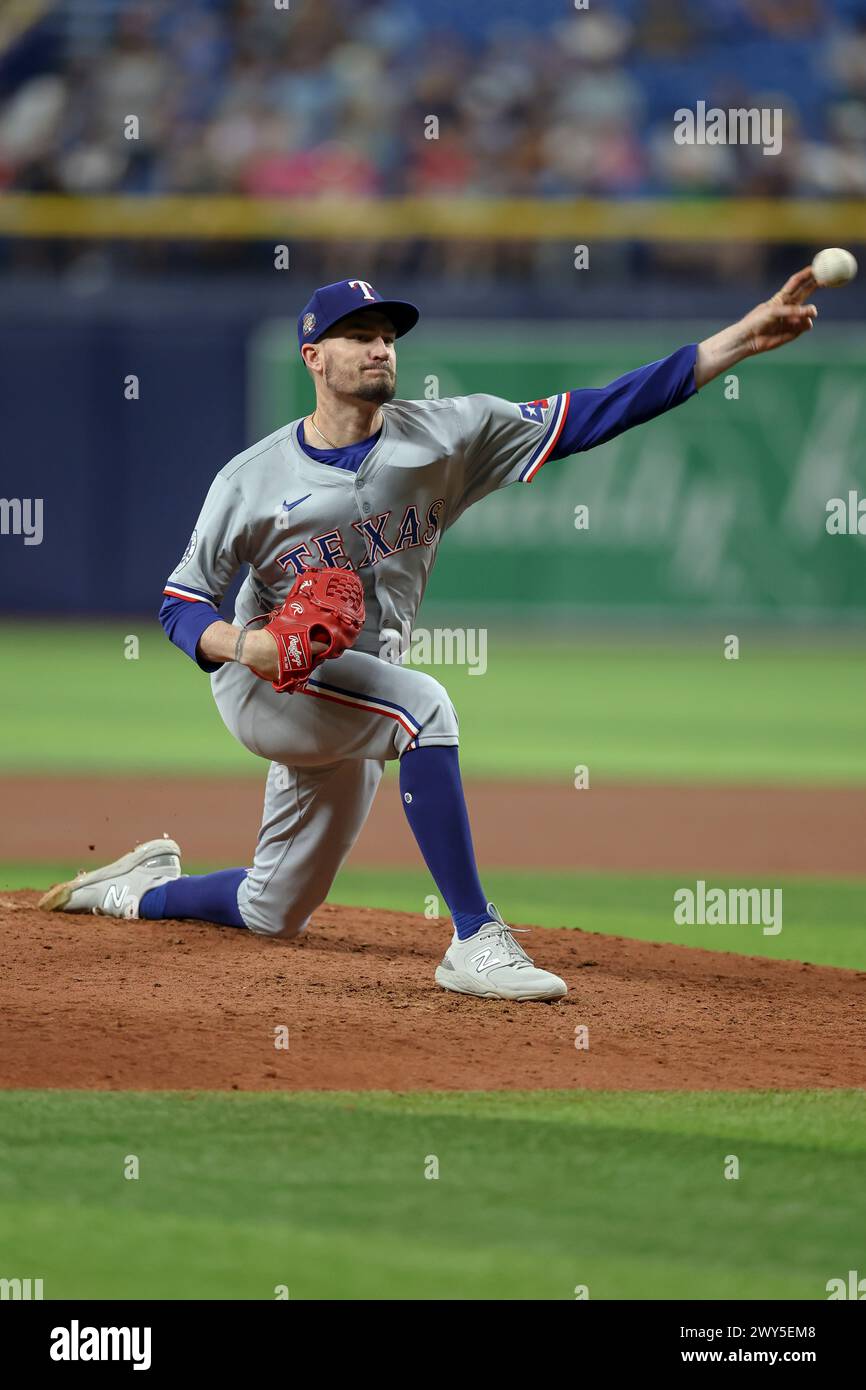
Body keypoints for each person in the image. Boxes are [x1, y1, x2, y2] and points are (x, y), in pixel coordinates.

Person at [40, 271, 818, 1001]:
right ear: (313, 356)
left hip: (355, 682)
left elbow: (594, 411)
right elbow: (180, 604)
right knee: (426, 710)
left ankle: (132, 887)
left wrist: (740, 338)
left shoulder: (449, 435)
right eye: (357, 334)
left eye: (387, 333)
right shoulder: (251, 480)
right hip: (269, 681)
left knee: (272, 908)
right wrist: (250, 648)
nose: (380, 346)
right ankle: (475, 939)